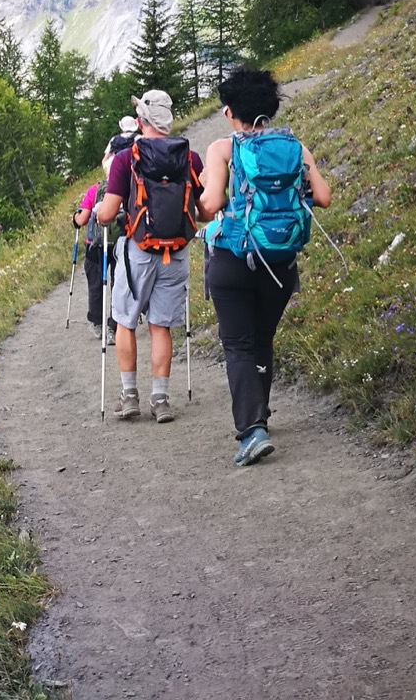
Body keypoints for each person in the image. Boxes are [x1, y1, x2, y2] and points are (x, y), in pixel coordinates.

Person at [199, 67, 332, 465]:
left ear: (229, 112)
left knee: (237, 344)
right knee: (261, 339)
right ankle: (261, 413)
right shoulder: (295, 146)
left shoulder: (223, 149)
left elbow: (209, 205)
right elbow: (323, 197)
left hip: (234, 259)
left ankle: (251, 430)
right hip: (281, 260)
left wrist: (209, 187)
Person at [93, 90, 201, 423]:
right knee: (161, 326)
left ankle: (129, 396)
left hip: (137, 250)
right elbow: (204, 207)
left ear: (141, 121)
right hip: (176, 251)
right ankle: (161, 399)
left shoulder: (127, 158)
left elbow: (108, 214)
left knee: (125, 321)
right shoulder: (190, 158)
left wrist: (98, 211)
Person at [71, 120, 137, 341]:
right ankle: (113, 325)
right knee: (117, 284)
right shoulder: (129, 186)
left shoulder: (95, 189)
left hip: (95, 244)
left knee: (96, 285)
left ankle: (97, 322)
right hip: (120, 242)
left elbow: (82, 220)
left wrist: (75, 217)